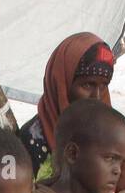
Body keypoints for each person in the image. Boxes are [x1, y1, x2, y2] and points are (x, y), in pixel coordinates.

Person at [17, 32, 115, 182]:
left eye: (103, 86)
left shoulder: (111, 131)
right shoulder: (31, 140)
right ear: (62, 84)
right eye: (87, 85)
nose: (97, 97)